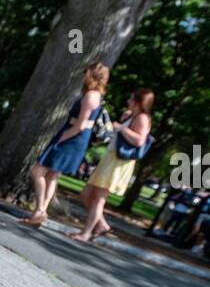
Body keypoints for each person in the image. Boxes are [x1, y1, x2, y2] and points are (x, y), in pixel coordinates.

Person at [21, 62, 110, 228]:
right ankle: (40, 212)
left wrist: (62, 138)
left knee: (37, 171)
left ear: (93, 75)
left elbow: (80, 125)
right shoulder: (96, 95)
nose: (84, 75)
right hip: (75, 137)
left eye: (87, 72)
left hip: (72, 137)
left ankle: (40, 210)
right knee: (52, 175)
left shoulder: (91, 95)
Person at [69, 88, 154, 244]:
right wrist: (124, 122)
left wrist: (121, 128)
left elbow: (139, 141)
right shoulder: (133, 116)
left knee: (98, 199)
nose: (128, 101)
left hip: (118, 162)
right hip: (110, 158)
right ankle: (101, 224)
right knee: (86, 194)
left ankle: (86, 233)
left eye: (131, 98)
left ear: (138, 101)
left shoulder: (142, 118)